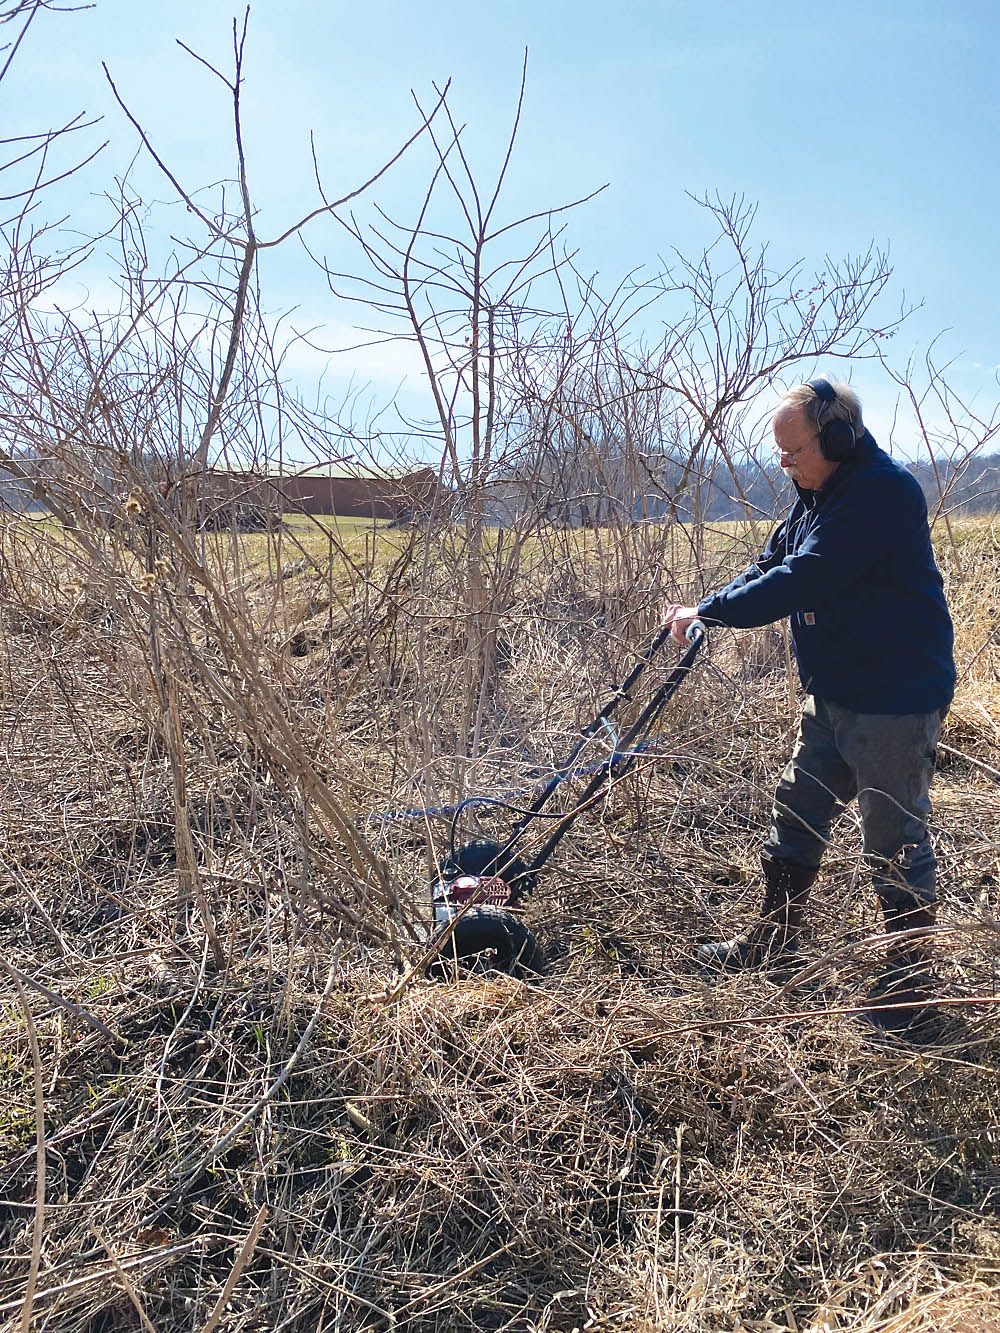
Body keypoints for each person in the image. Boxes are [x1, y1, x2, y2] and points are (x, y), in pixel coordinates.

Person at [664, 378, 955, 1035]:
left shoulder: (883, 492)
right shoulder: (815, 496)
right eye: (781, 455)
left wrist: (712, 611)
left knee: (893, 838)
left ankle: (911, 985)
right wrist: (706, 606)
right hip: (836, 691)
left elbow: (809, 575)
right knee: (797, 807)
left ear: (839, 439)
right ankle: (774, 939)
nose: (786, 465)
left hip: (894, 694)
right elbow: (771, 563)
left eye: (794, 452)